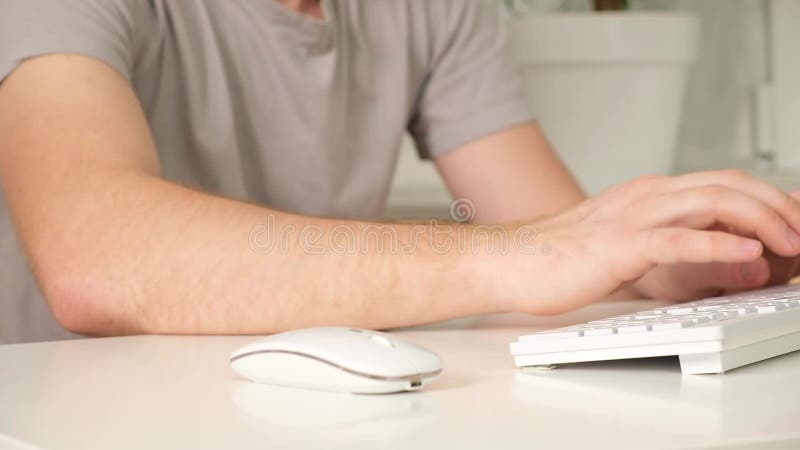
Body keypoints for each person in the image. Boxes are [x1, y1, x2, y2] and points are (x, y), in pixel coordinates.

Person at [0, 0, 798, 344]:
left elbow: (565, 248)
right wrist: (525, 254)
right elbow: (95, 256)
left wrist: (677, 264)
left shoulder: (430, 11)